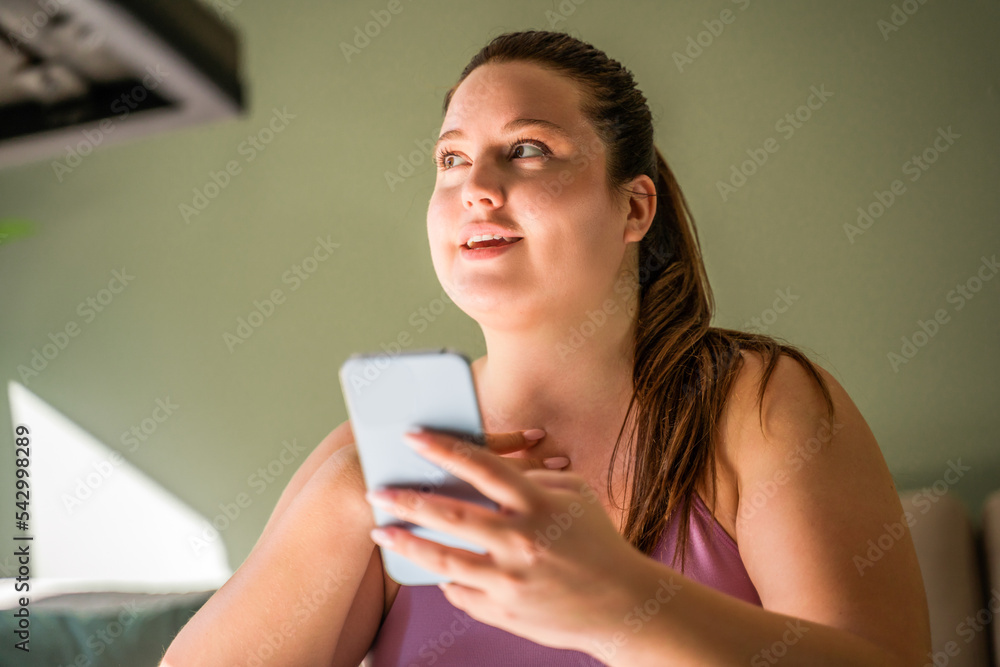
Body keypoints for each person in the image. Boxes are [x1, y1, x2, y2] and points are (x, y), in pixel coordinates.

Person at [162, 30, 931, 667]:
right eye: (451, 159)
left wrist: (622, 606)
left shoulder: (761, 404)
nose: (476, 186)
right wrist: (341, 500)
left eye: (527, 149)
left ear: (634, 207)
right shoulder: (373, 458)